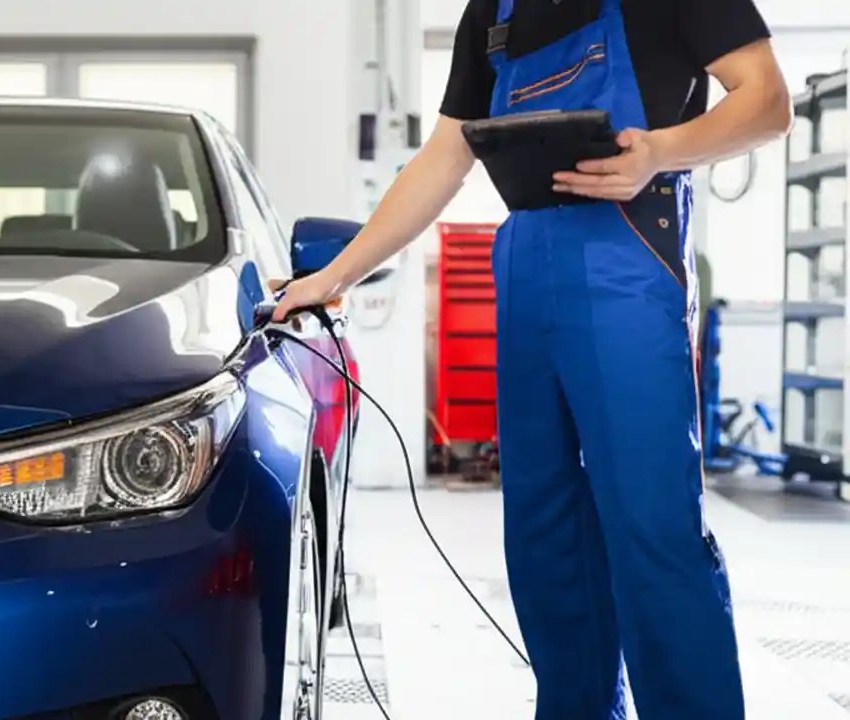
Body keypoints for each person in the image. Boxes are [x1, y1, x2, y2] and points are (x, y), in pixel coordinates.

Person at [272, 0, 791, 717]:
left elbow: (767, 100)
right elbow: (444, 158)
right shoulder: (493, 9)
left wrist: (660, 153)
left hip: (628, 260)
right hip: (525, 262)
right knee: (545, 536)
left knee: (652, 530)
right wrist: (334, 278)